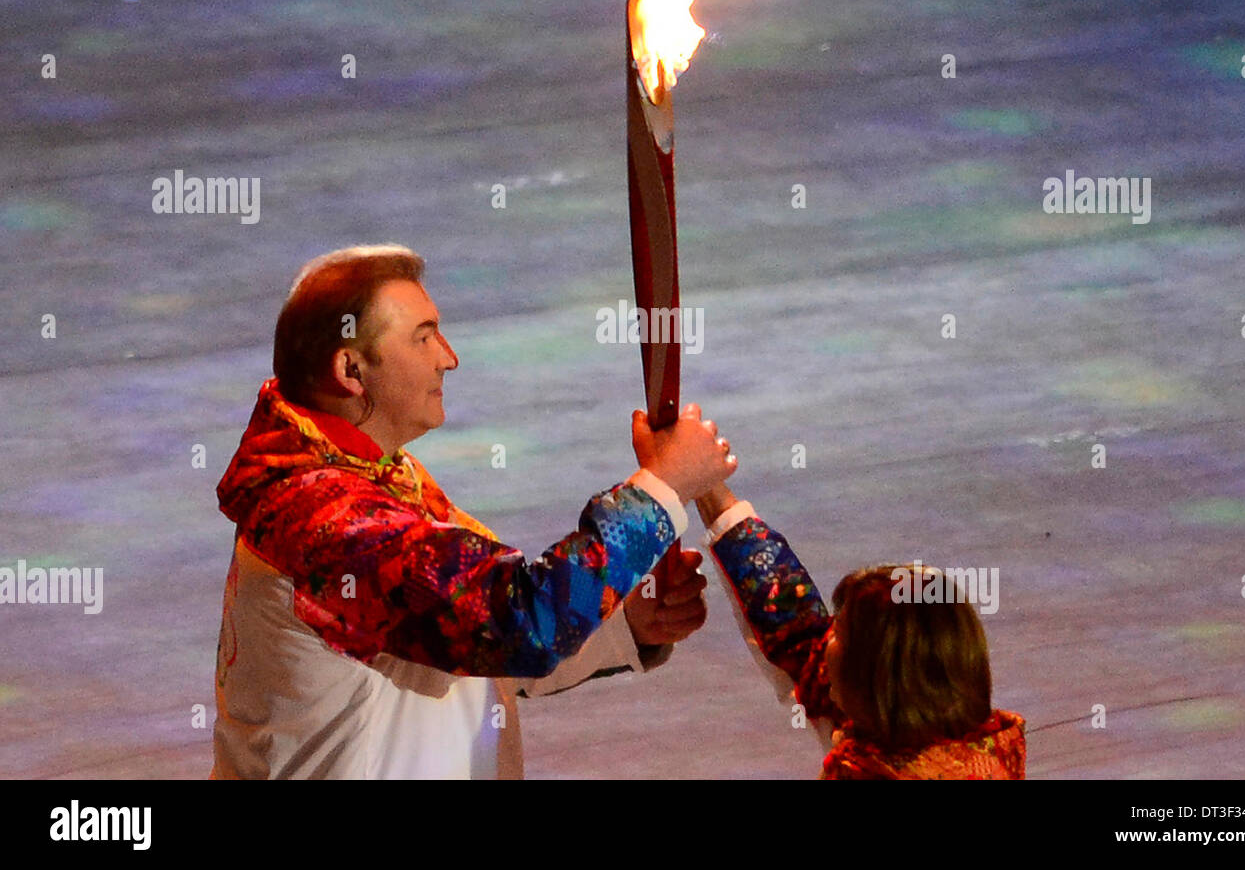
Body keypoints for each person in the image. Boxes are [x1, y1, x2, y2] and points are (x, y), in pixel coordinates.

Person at [211, 244, 735, 778]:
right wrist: (661, 490)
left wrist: (625, 624)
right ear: (350, 368)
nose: (448, 356)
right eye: (423, 337)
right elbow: (518, 624)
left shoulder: (376, 476)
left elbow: (471, 641)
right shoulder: (329, 521)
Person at [696, 482, 1026, 779]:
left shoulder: (867, 772)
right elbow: (793, 623)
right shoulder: (977, 744)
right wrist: (704, 480)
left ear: (871, 677)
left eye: (838, 633)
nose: (825, 645)